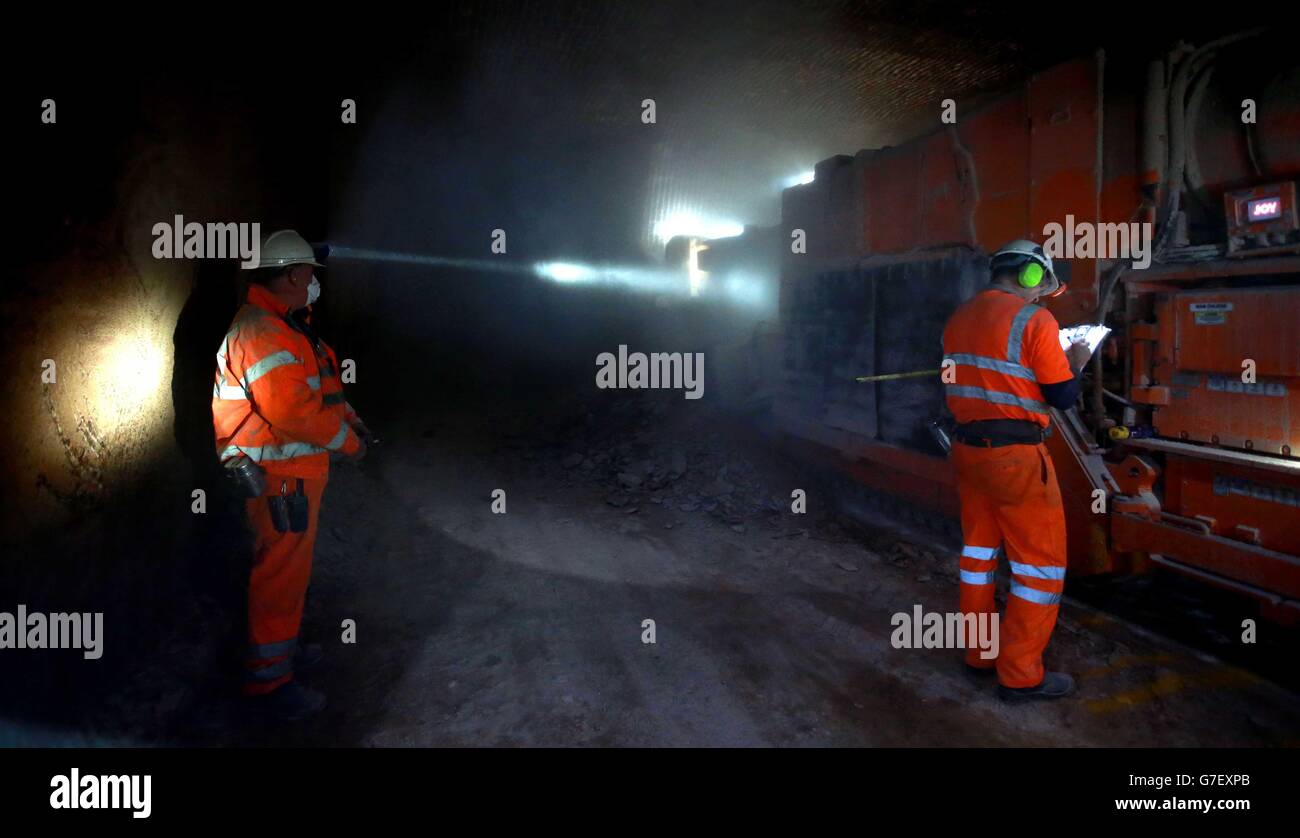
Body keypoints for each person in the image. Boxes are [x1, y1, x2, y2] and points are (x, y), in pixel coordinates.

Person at [212, 229, 369, 720]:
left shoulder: (284, 326)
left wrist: (352, 421)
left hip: (291, 473)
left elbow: (318, 392)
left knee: (287, 571)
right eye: (310, 274)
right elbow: (293, 412)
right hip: (279, 477)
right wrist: (349, 443)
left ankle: (282, 650)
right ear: (295, 275)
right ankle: (270, 684)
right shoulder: (264, 332)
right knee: (279, 575)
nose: (314, 283)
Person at [941, 239, 1091, 702]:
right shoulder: (1035, 319)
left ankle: (979, 655)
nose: (1043, 292)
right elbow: (1062, 396)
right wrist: (1078, 361)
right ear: (1032, 275)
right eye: (1043, 282)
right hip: (1015, 458)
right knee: (1038, 568)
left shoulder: (959, 317)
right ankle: (1021, 676)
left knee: (978, 558)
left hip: (968, 451)